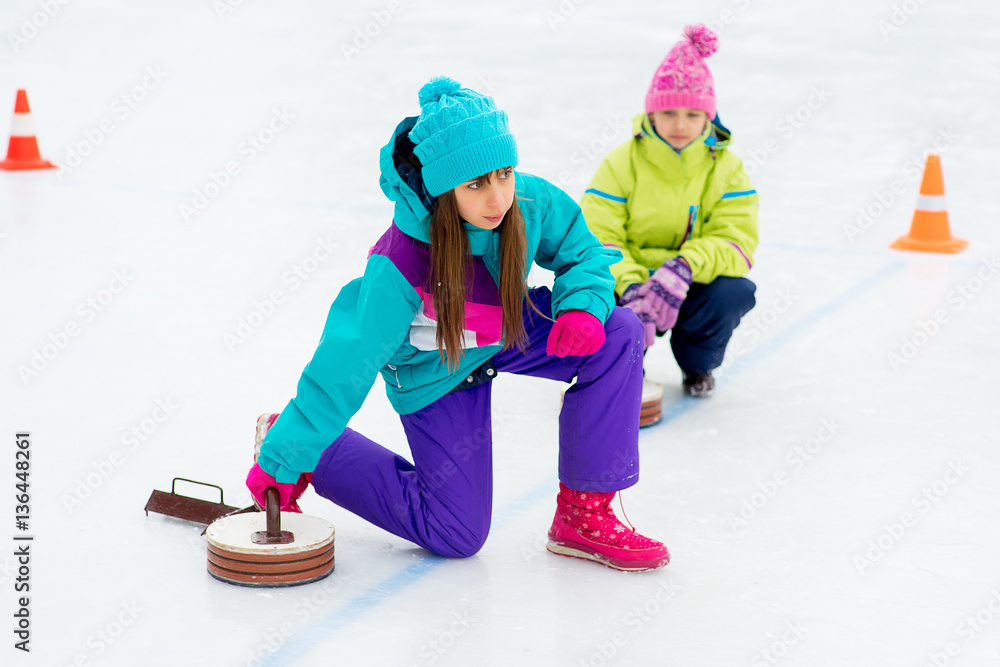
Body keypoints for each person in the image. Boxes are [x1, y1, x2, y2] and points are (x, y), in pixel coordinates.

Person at [245, 77, 670, 572]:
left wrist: (581, 306)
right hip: (435, 367)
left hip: (505, 329)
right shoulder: (401, 263)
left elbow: (582, 251)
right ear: (445, 187)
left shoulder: (527, 201)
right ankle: (311, 448)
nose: (497, 198)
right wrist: (285, 456)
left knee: (615, 331)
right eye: (476, 184)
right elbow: (344, 367)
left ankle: (583, 513)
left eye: (504, 174)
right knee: (457, 533)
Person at [581, 24, 758, 399]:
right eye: (670, 112)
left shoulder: (727, 169)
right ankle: (623, 363)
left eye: (693, 114)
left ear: (709, 117)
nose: (680, 124)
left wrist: (683, 268)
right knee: (589, 291)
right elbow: (598, 234)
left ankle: (698, 365)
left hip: (688, 282)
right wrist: (628, 285)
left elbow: (736, 241)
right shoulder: (620, 164)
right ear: (651, 113)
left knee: (731, 291)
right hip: (628, 281)